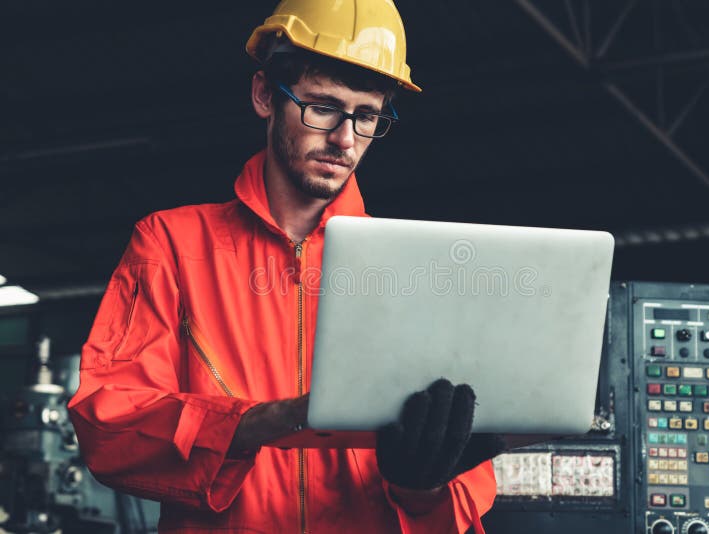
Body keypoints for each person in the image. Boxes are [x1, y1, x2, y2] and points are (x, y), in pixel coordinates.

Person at [68, 1, 505, 532]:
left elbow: (465, 495)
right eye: (323, 107)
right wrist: (258, 423)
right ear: (263, 96)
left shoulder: (416, 270)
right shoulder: (170, 246)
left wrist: (424, 486)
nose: (345, 138)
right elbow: (110, 421)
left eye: (366, 116)